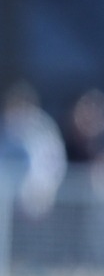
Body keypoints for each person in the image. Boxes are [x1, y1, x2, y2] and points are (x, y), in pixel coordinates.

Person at [0, 82, 67, 217]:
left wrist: (43, 193)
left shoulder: (44, 132)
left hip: (36, 206)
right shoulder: (4, 129)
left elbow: (55, 167)